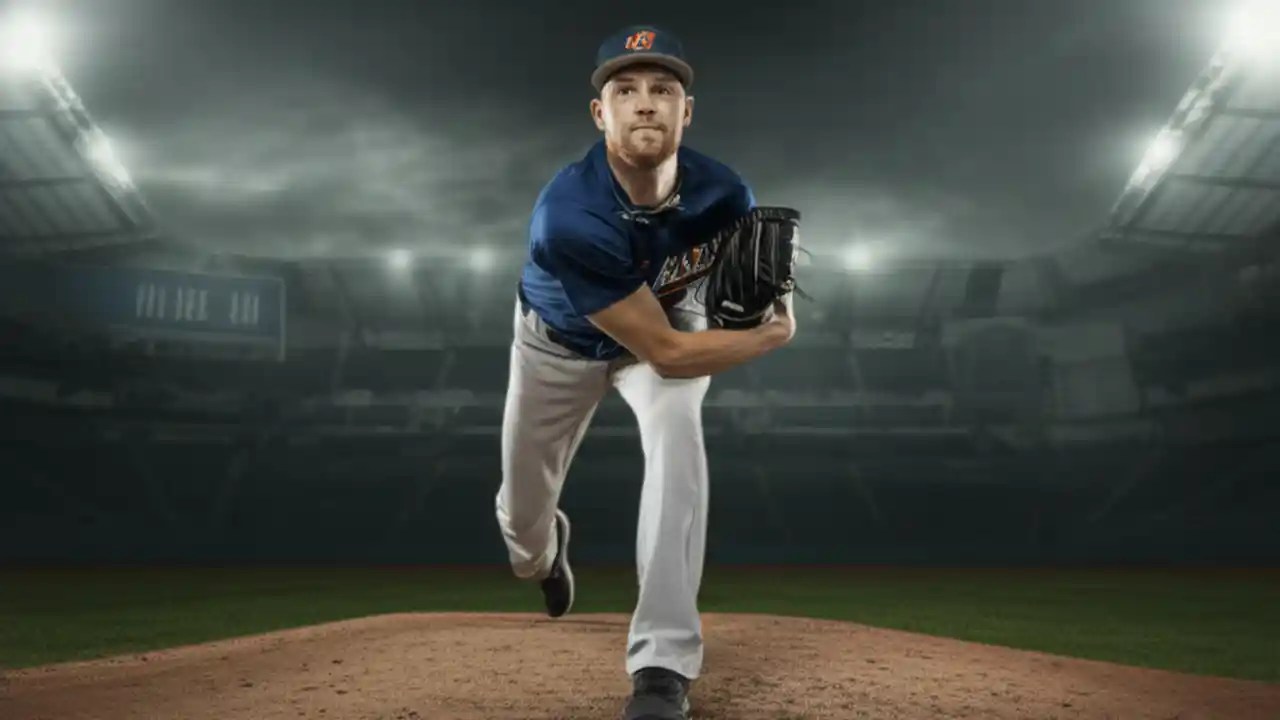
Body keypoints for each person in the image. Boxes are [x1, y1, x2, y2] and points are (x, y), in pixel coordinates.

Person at [494, 23, 796, 720]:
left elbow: (736, 295)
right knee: (521, 519)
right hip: (557, 347)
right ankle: (543, 555)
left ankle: (663, 662)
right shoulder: (568, 215)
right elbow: (668, 351)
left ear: (687, 111)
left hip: (666, 327)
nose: (646, 103)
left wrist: (763, 306)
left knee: (678, 439)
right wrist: (775, 335)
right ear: (600, 113)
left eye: (664, 89)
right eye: (624, 90)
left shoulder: (726, 193)